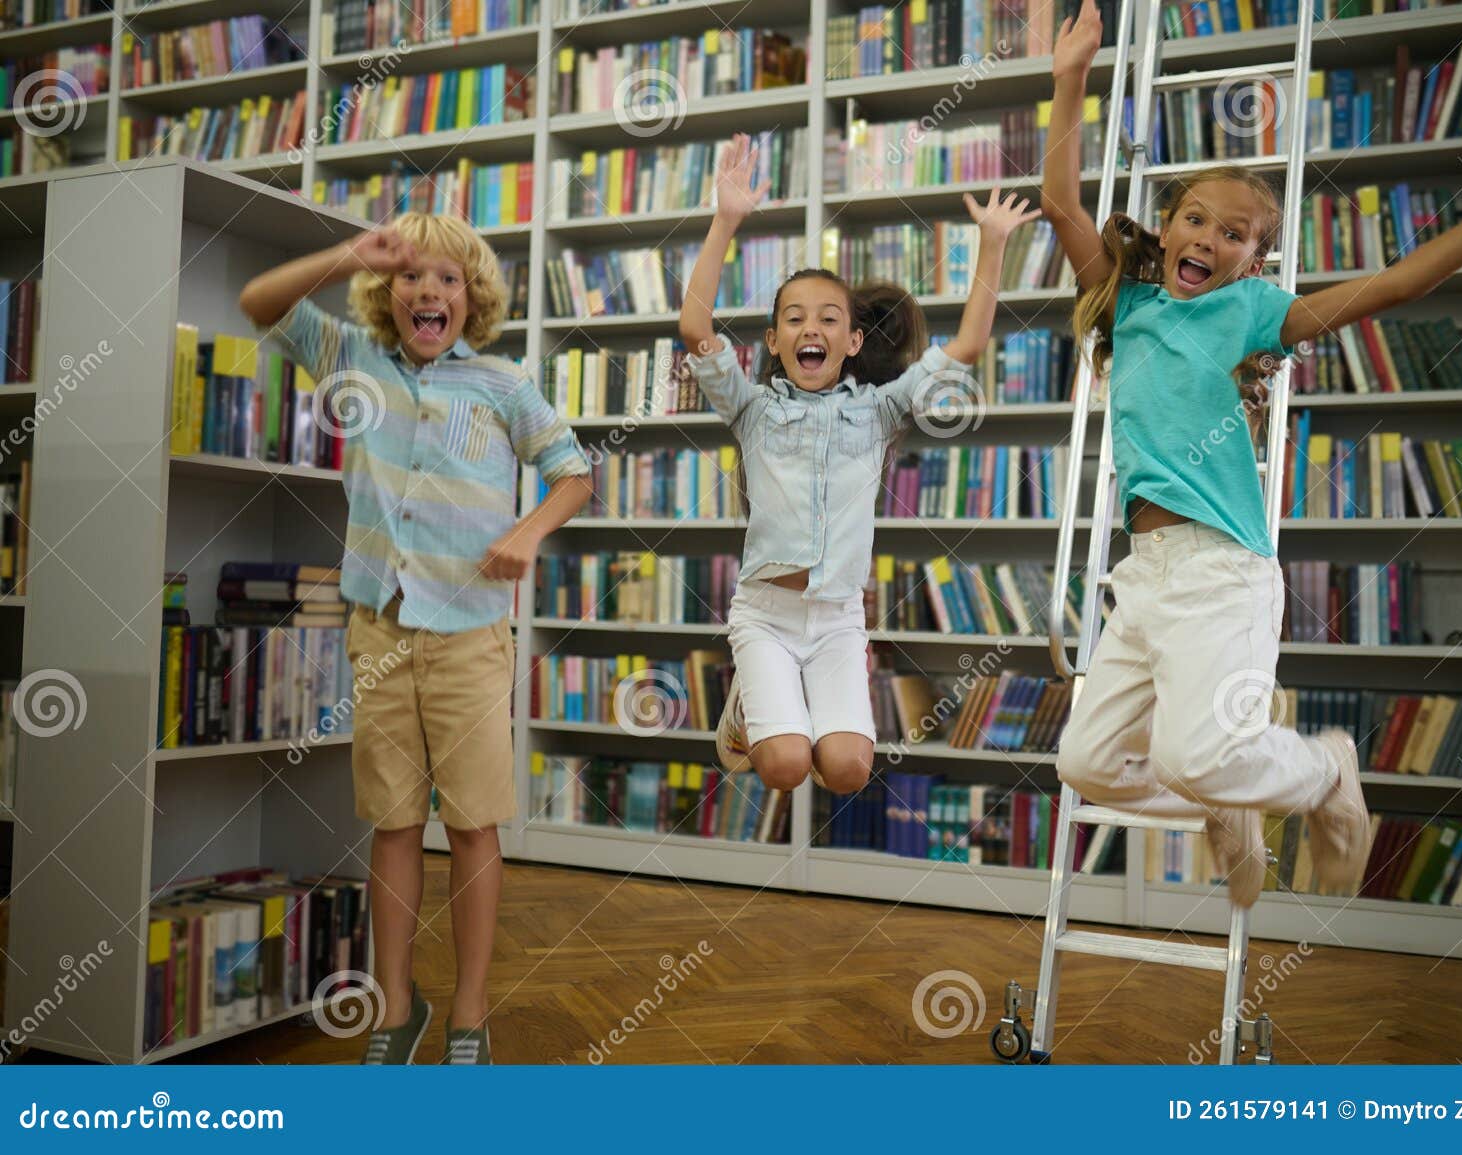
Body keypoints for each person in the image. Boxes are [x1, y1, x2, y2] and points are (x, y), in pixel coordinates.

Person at [1043, 0, 1462, 906]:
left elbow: (1395, 281)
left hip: (1221, 572)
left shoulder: (1253, 314)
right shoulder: (1125, 302)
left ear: (1254, 262)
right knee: (1088, 765)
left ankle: (1326, 771)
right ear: (1169, 225)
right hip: (1141, 575)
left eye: (1234, 234)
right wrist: (1070, 79)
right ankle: (1229, 802)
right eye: (1194, 219)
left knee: (1193, 748)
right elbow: (1061, 202)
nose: (1206, 240)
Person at [239, 212, 593, 1061]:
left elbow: (574, 472)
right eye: (410, 277)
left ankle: (470, 1013)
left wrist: (528, 531)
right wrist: (345, 253)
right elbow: (257, 301)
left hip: (471, 637)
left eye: (447, 280)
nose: (427, 292)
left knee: (473, 826)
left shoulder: (505, 384)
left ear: (471, 301)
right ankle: (397, 1008)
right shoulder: (351, 361)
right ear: (386, 292)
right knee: (392, 825)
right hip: (379, 630)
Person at [680, 133, 1040, 795]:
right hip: (765, 611)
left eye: (826, 319)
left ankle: (780, 707)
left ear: (851, 341)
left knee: (846, 771)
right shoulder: (752, 408)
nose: (809, 329)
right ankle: (752, 708)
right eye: (793, 318)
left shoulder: (878, 411)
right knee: (786, 766)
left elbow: (968, 342)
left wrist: (992, 243)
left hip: (840, 617)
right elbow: (696, 328)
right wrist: (725, 219)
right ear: (773, 341)